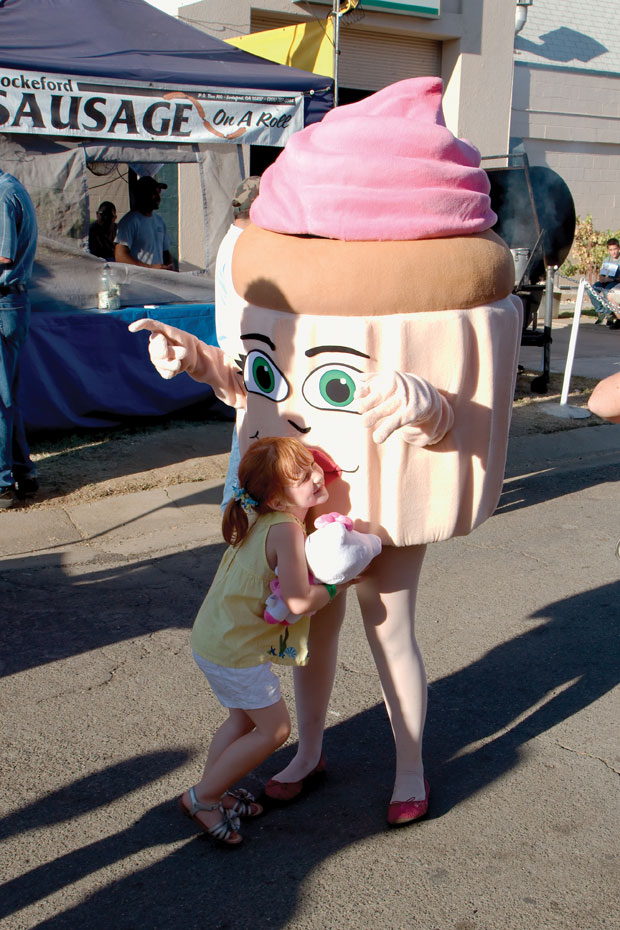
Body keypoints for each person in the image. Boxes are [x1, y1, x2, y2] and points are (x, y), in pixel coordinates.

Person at [130, 77, 521, 827]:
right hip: (302, 495)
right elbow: (254, 382)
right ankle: (308, 751)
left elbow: (456, 411)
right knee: (314, 632)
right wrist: (197, 360)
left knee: (388, 623)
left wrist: (421, 403)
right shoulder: (285, 289)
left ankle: (409, 765)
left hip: (379, 498)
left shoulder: (423, 297)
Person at [178, 436, 357, 846]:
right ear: (277, 499)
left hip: (215, 639)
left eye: (312, 466)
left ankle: (214, 791)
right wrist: (337, 587)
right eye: (302, 476)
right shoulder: (287, 531)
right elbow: (297, 601)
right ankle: (202, 798)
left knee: (242, 720)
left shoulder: (258, 516)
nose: (317, 476)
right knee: (275, 730)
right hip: (235, 651)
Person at [215, 175, 261, 511]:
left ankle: (236, 510)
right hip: (246, 356)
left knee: (247, 437)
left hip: (240, 352)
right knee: (246, 439)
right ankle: (234, 512)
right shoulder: (245, 246)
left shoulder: (234, 240)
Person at [0, 168, 39, 510]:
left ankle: (1, 482)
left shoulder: (1, 194)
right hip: (10, 302)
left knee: (1, 397)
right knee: (6, 394)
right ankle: (23, 471)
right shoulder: (11, 187)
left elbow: (2, 255)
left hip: (4, 301)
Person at [114, 176, 175, 270]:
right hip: (139, 281)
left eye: (159, 192)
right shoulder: (130, 221)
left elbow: (165, 252)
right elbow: (120, 255)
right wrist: (150, 269)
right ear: (142, 194)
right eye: (154, 193)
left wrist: (170, 267)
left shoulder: (159, 221)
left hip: (159, 280)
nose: (158, 197)